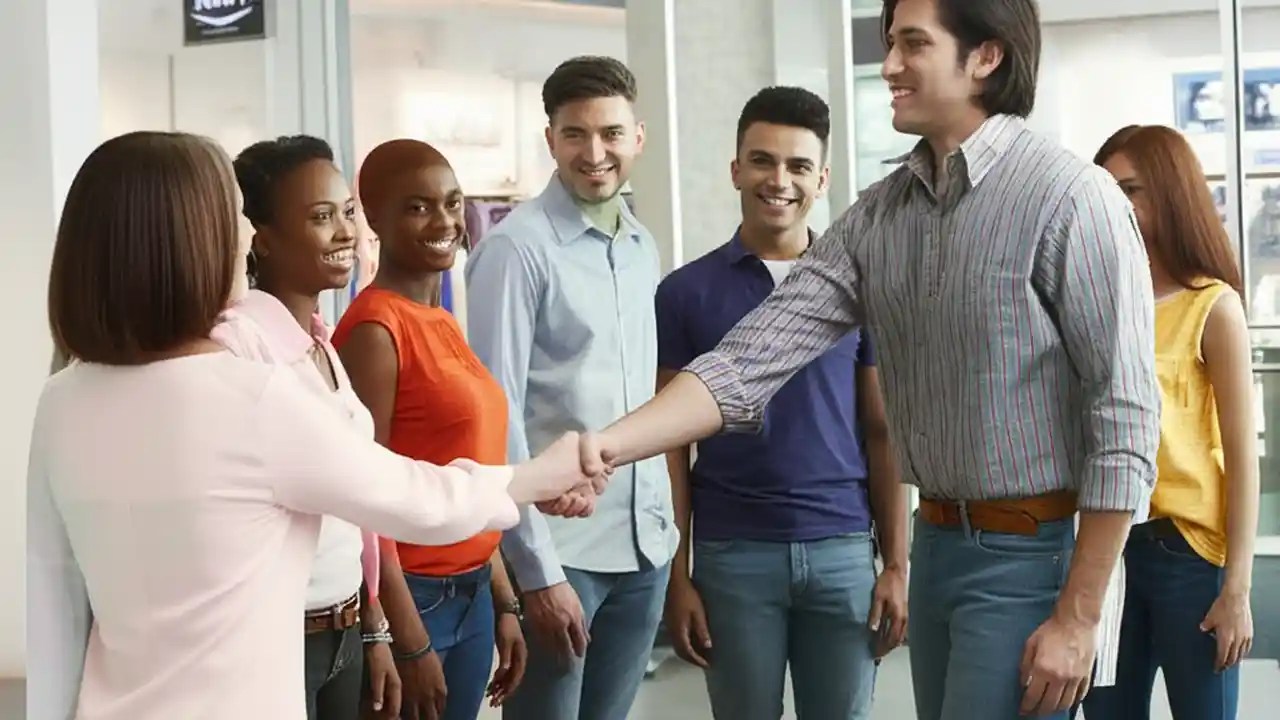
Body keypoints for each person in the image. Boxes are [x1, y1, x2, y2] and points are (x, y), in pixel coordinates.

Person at [575, 1, 1164, 719]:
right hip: (941, 547)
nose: (887, 65)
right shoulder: (884, 213)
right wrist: (606, 446)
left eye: (912, 44)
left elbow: (1125, 415)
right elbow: (750, 359)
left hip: (1031, 556)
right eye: (889, 43)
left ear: (987, 57)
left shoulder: (1073, 199)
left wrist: (1079, 614)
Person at [25, 131, 605, 720]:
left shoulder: (62, 400)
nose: (249, 236)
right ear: (185, 241)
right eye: (233, 216)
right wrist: (542, 474)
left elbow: (56, 611)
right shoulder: (253, 398)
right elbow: (419, 498)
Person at [657, 86, 907, 720]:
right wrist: (677, 574)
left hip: (843, 549)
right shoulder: (685, 293)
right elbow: (670, 444)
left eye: (798, 166)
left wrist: (897, 564)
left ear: (821, 179)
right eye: (762, 160)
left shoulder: (860, 287)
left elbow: (881, 431)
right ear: (736, 168)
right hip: (733, 557)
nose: (779, 180)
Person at [465, 55, 677, 720]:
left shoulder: (640, 245)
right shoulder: (516, 250)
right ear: (550, 139)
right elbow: (496, 419)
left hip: (645, 546)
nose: (595, 153)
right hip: (565, 555)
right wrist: (536, 571)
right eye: (575, 135)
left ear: (637, 137)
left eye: (611, 134)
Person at [332, 139, 547, 720]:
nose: (444, 221)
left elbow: (465, 474)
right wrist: (405, 637)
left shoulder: (444, 320)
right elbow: (363, 503)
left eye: (452, 203)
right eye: (418, 206)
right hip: (417, 601)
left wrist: (504, 599)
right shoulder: (374, 330)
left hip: (475, 590)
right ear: (373, 216)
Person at [215, 135, 398, 720]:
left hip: (342, 628)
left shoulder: (320, 338)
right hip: (279, 638)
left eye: (348, 212)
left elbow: (351, 502)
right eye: (322, 217)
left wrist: (373, 623)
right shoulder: (240, 343)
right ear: (260, 238)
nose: (346, 232)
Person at [1084, 125, 1258, 720]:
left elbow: (1241, 458)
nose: (1118, 205)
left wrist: (1238, 588)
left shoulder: (1212, 305)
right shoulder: (1094, 303)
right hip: (1105, 551)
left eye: (1130, 189)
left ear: (1170, 193)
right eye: (1106, 191)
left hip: (1189, 553)